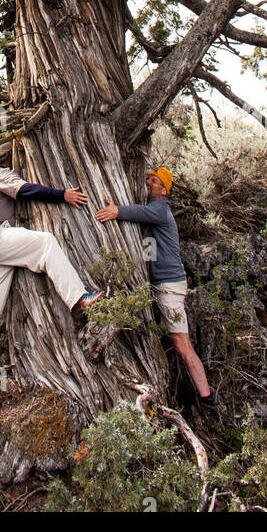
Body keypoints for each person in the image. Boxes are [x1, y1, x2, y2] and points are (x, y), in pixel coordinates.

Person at [0, 153, 105, 392]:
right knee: (45, 242)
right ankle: (77, 299)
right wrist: (62, 195)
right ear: (6, 160)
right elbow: (26, 190)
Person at [96, 166, 216, 410]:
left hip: (170, 286)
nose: (149, 183)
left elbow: (140, 213)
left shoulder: (160, 209)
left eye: (154, 181)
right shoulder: (154, 211)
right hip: (159, 284)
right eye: (148, 179)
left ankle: (206, 400)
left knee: (182, 344)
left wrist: (117, 210)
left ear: (164, 189)